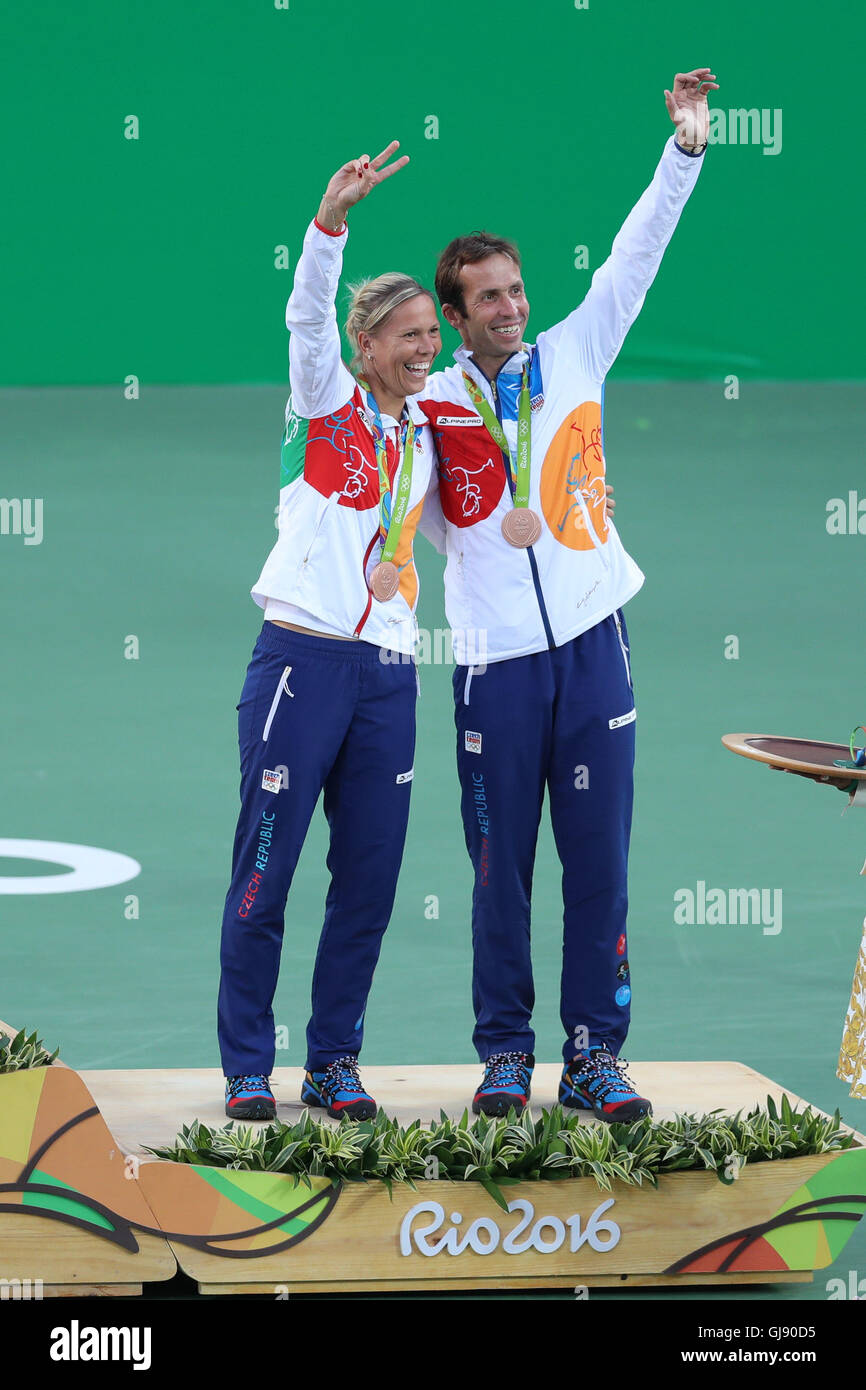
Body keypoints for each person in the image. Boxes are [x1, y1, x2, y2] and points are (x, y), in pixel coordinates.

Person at [417, 70, 718, 1120]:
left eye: (514, 288)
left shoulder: (575, 351)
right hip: (494, 663)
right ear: (455, 319)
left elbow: (635, 253)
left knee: (596, 861)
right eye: (486, 298)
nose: (509, 306)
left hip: (593, 645)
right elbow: (395, 507)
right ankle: (505, 1052)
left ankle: (593, 1052)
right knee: (500, 869)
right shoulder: (430, 404)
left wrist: (680, 152)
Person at [218, 142, 439, 1122]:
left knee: (367, 882)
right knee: (264, 872)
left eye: (430, 332)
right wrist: (328, 227)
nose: (422, 347)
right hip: (300, 663)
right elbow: (306, 314)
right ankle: (245, 1067)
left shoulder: (426, 432)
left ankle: (335, 1060)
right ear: (364, 346)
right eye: (404, 335)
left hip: (390, 673)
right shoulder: (325, 401)